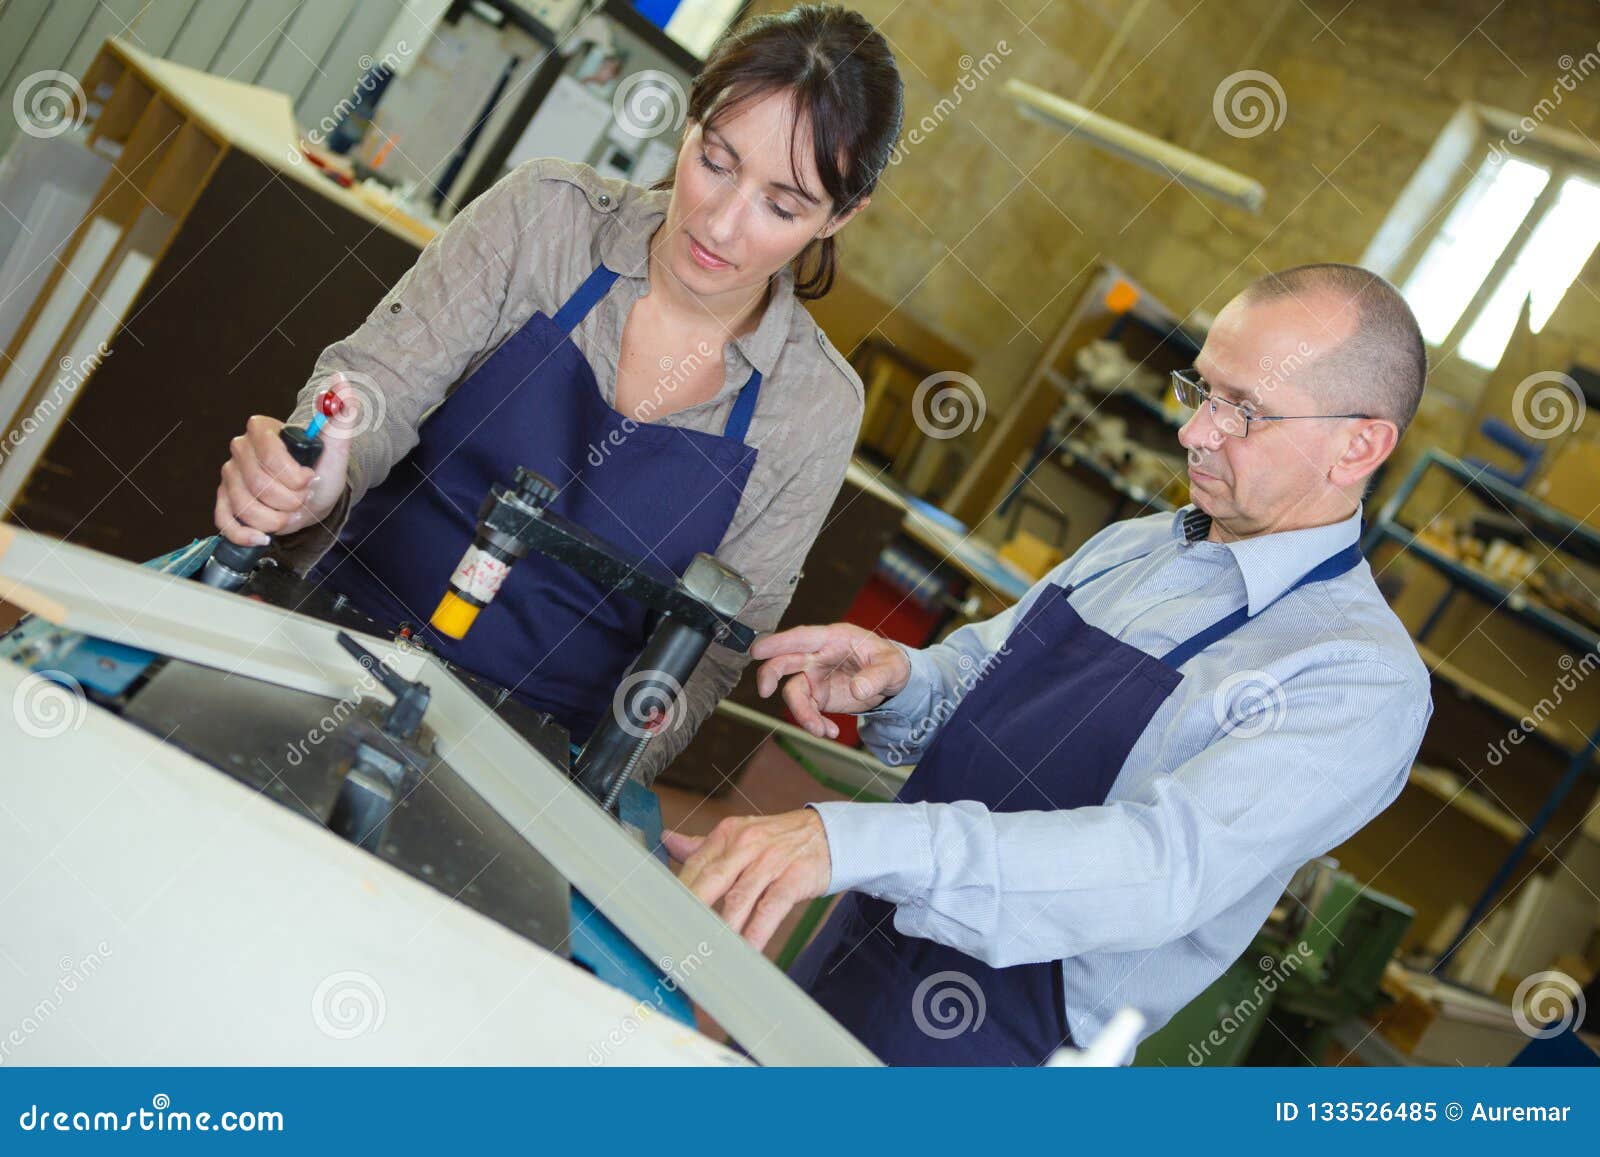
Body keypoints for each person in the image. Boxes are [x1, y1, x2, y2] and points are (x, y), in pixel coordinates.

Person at [663, 264, 1436, 1066]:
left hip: (1003, 1046)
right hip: (871, 940)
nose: (1195, 431)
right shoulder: (1136, 548)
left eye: (1243, 409)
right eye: (1200, 389)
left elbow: (1154, 867)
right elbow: (978, 677)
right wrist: (902, 679)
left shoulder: (1356, 677)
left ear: (1359, 445)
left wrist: (855, 840)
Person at [210, 5, 904, 779]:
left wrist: (596, 775)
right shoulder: (545, 219)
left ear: (841, 215)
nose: (722, 223)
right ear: (690, 120)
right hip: (340, 635)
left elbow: (708, 654)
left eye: (782, 205)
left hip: (534, 760)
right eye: (714, 159)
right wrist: (312, 479)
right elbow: (379, 384)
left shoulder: (813, 406)